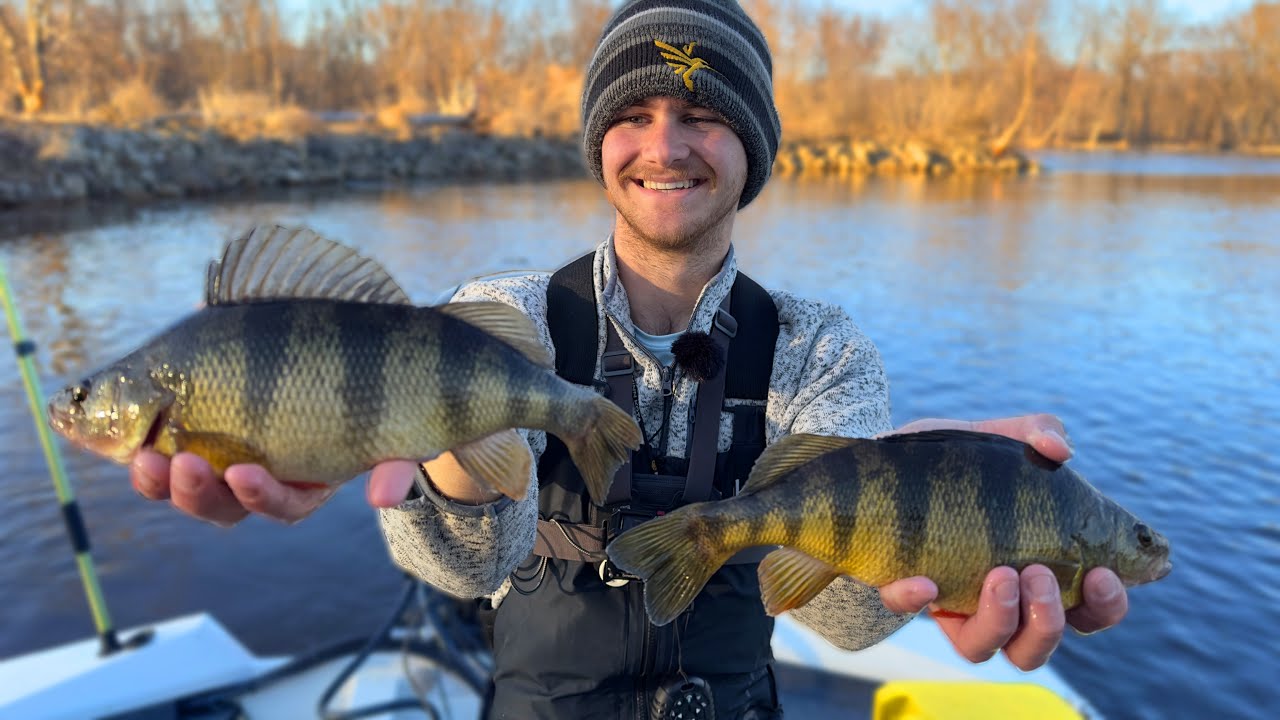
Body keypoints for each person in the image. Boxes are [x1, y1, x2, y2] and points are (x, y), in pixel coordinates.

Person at [131, 1, 1130, 717]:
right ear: (598, 142)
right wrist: (444, 456)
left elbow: (839, 620)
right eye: (633, 114)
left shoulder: (822, 350)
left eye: (702, 113)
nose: (664, 145)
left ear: (750, 147)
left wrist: (915, 507)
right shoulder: (505, 314)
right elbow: (468, 568)